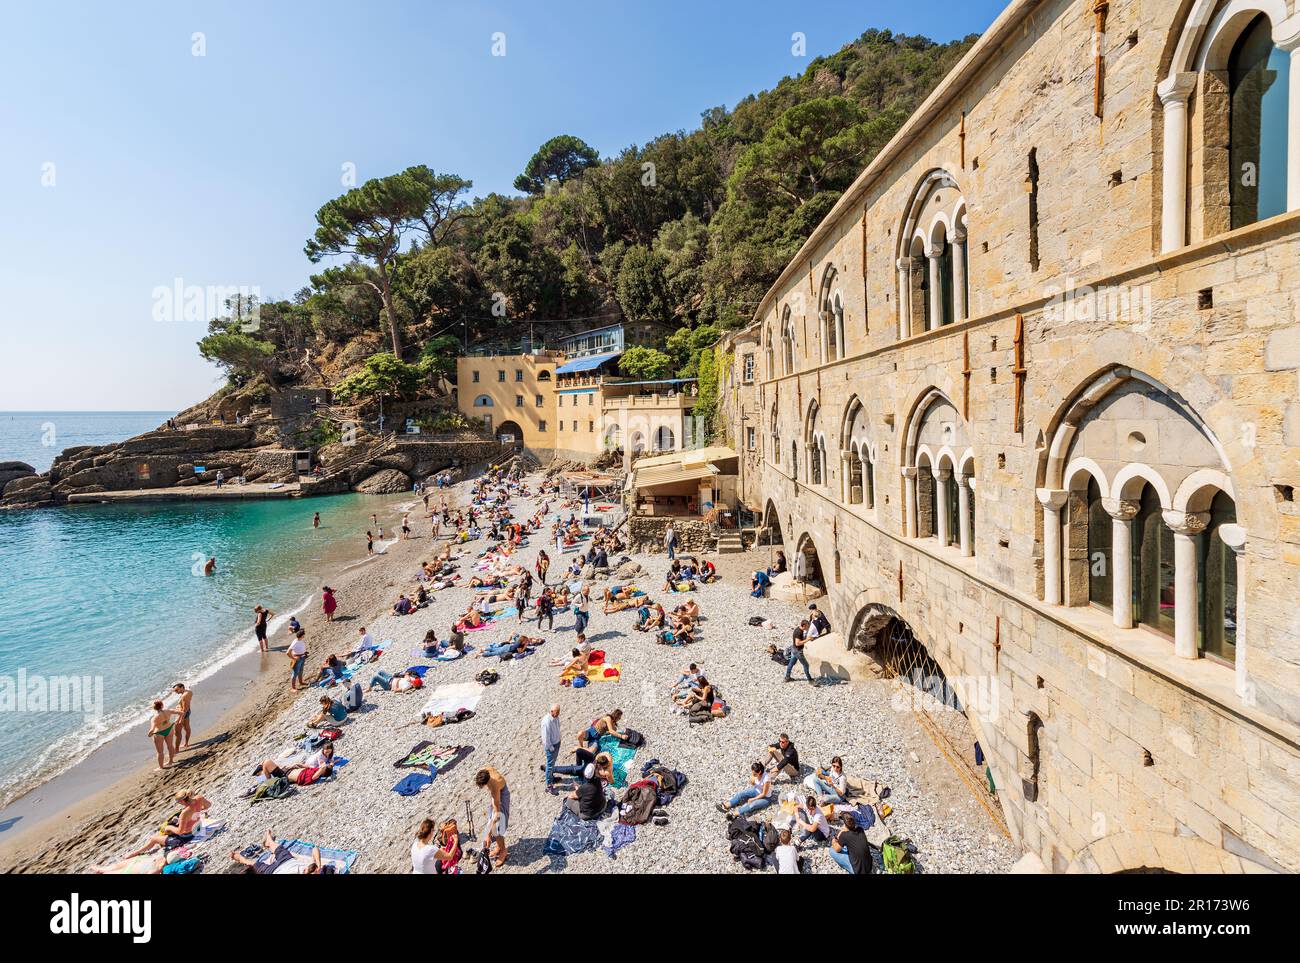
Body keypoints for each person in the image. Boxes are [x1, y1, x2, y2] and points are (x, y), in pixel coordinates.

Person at [123, 790, 212, 857]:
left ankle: (135, 853)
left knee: (154, 838)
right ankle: (163, 841)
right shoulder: (199, 798)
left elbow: (180, 832)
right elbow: (208, 805)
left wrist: (169, 827)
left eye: (178, 802)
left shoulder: (185, 812)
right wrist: (198, 811)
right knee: (172, 824)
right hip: (197, 828)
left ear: (181, 801)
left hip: (187, 837)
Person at [229, 831, 329, 874]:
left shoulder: (311, 869)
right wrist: (318, 865)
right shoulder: (315, 868)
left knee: (255, 865)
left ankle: (241, 858)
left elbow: (315, 849)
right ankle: (269, 841)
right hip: (287, 861)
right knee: (278, 850)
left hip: (274, 871)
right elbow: (315, 849)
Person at [475, 767, 510, 868]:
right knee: (492, 822)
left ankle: (503, 850)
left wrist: (488, 834)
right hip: (496, 793)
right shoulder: (486, 770)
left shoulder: (494, 788)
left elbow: (496, 815)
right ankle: (499, 847)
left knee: (498, 826)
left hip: (502, 794)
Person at [147, 701, 183, 770]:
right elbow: (181, 713)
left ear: (154, 708)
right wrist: (178, 720)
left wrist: (149, 734)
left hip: (159, 733)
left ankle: (161, 767)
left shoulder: (154, 718)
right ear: (162, 705)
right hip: (169, 729)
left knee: (160, 752)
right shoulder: (168, 711)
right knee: (170, 746)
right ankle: (171, 761)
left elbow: (152, 729)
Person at [540, 704, 562, 789]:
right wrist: (552, 748)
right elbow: (545, 739)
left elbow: (557, 727)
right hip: (552, 747)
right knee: (550, 765)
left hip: (556, 743)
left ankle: (552, 778)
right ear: (551, 711)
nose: (559, 714)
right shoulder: (546, 722)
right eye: (557, 712)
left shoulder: (556, 717)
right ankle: (549, 784)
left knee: (552, 764)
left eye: (559, 711)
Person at [171, 682, 193, 749]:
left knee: (177, 732)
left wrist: (180, 719)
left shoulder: (184, 696)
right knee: (187, 728)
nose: (176, 692)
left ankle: (176, 749)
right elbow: (186, 707)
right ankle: (186, 744)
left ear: (182, 687)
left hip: (182, 714)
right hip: (188, 712)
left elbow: (184, 709)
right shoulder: (189, 692)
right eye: (175, 691)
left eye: (177, 690)